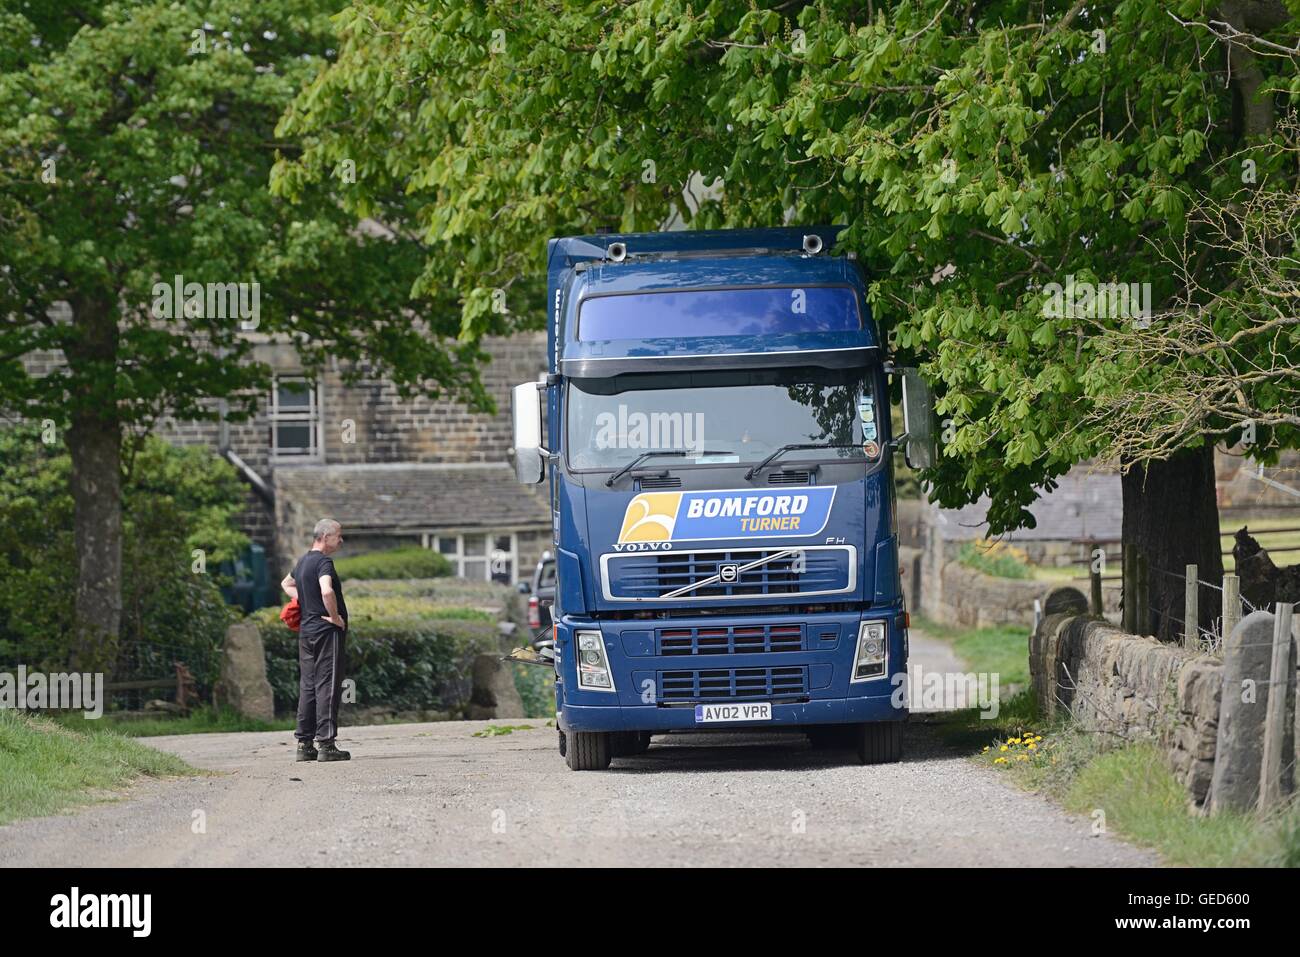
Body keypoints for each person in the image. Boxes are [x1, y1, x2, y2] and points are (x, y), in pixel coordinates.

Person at [280, 519, 350, 762]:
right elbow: (327, 590)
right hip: (325, 632)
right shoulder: (323, 562)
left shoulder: (303, 561)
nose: (341, 540)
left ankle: (304, 744)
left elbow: (286, 583)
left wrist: (306, 600)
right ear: (325, 536)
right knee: (327, 684)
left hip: (307, 632)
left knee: (308, 685)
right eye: (338, 536)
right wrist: (334, 617)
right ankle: (327, 745)